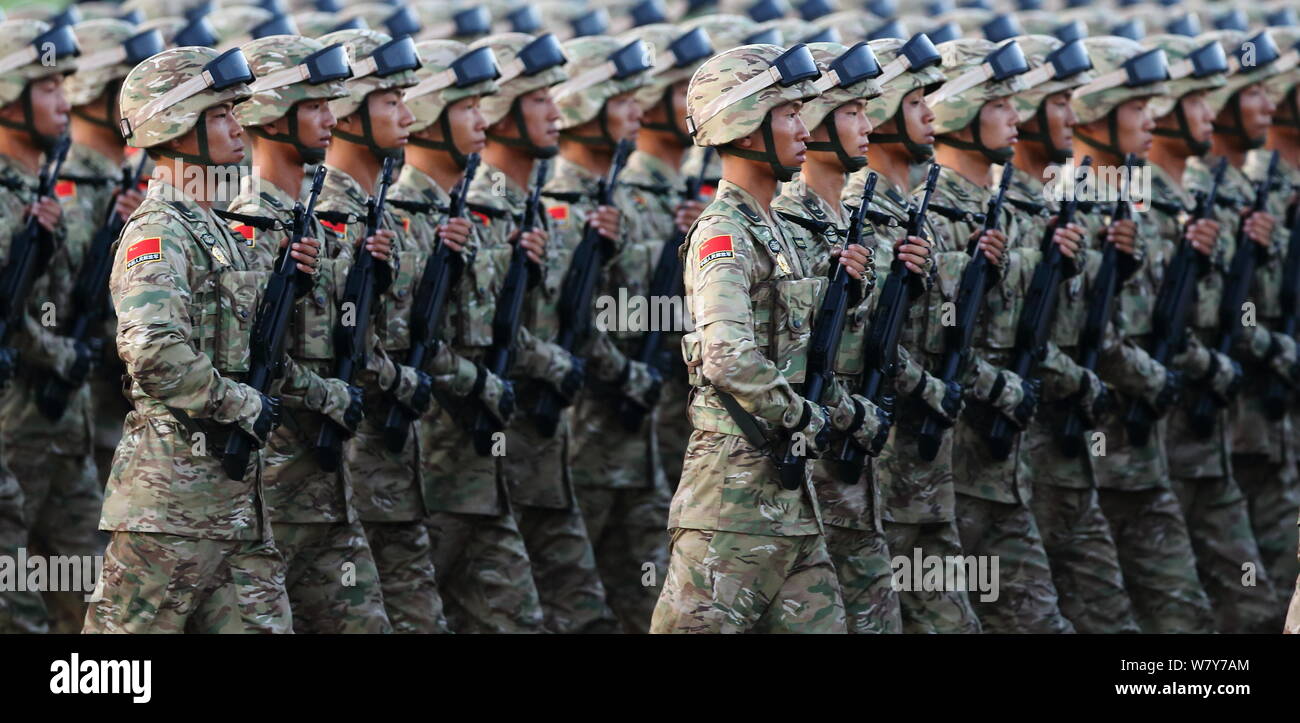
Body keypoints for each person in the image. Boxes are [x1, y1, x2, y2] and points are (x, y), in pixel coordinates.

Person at [86, 42, 317, 633]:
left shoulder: (212, 226)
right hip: (170, 510)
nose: (238, 129)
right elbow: (154, 352)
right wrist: (243, 404)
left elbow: (245, 346)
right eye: (219, 115)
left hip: (236, 506)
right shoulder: (160, 230)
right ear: (176, 124)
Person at [651, 42, 876, 634]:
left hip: (794, 510)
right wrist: (804, 417)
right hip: (730, 513)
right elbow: (726, 357)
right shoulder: (723, 232)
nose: (805, 128)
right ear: (746, 127)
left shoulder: (782, 229)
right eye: (788, 114)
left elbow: (811, 352)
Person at [224, 32, 391, 634]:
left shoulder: (312, 218)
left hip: (327, 487)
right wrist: (330, 396)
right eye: (315, 106)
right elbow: (248, 356)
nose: (331, 119)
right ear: (272, 113)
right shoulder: (246, 225)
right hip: (270, 491)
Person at [926, 37, 1075, 633]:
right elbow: (930, 343)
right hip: (947, 473)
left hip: (1004, 468)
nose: (1019, 117)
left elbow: (1037, 327)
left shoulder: (1010, 210)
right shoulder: (928, 216)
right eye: (1000, 104)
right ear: (961, 112)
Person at [842, 34, 984, 634]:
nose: (931, 113)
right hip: (878, 472)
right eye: (916, 100)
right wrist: (930, 387)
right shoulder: (857, 211)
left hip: (926, 476)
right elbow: (864, 344)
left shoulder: (914, 209)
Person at [311, 27, 445, 633]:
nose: (408, 115)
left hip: (389, 468)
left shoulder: (381, 210)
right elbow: (334, 345)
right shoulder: (325, 215)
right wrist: (404, 377)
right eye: (390, 101)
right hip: (336, 474)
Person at [1005, 34, 1140, 634]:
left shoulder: (1068, 203)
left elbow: (1090, 324)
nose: (1072, 114)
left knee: (1107, 613)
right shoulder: (994, 211)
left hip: (1069, 454)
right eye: (1055, 101)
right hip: (1009, 458)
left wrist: (1118, 266)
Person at [546, 33, 667, 634]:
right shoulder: (560, 201)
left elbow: (638, 307)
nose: (636, 114)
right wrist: (628, 373)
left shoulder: (613, 195)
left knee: (658, 602)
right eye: (621, 100)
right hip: (580, 443)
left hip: (633, 446)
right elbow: (567, 321)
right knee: (574, 606)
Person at [1180, 28, 1287, 633]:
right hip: (1206, 433)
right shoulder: (1191, 200)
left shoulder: (1250, 191)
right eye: (1255, 93)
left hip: (1246, 430)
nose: (1268, 107)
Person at [0, 18, 81, 634]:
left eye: (65, 84)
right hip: (13, 430)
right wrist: (57, 350)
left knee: (90, 598)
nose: (64, 101)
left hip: (64, 429)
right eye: (47, 86)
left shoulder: (47, 191)